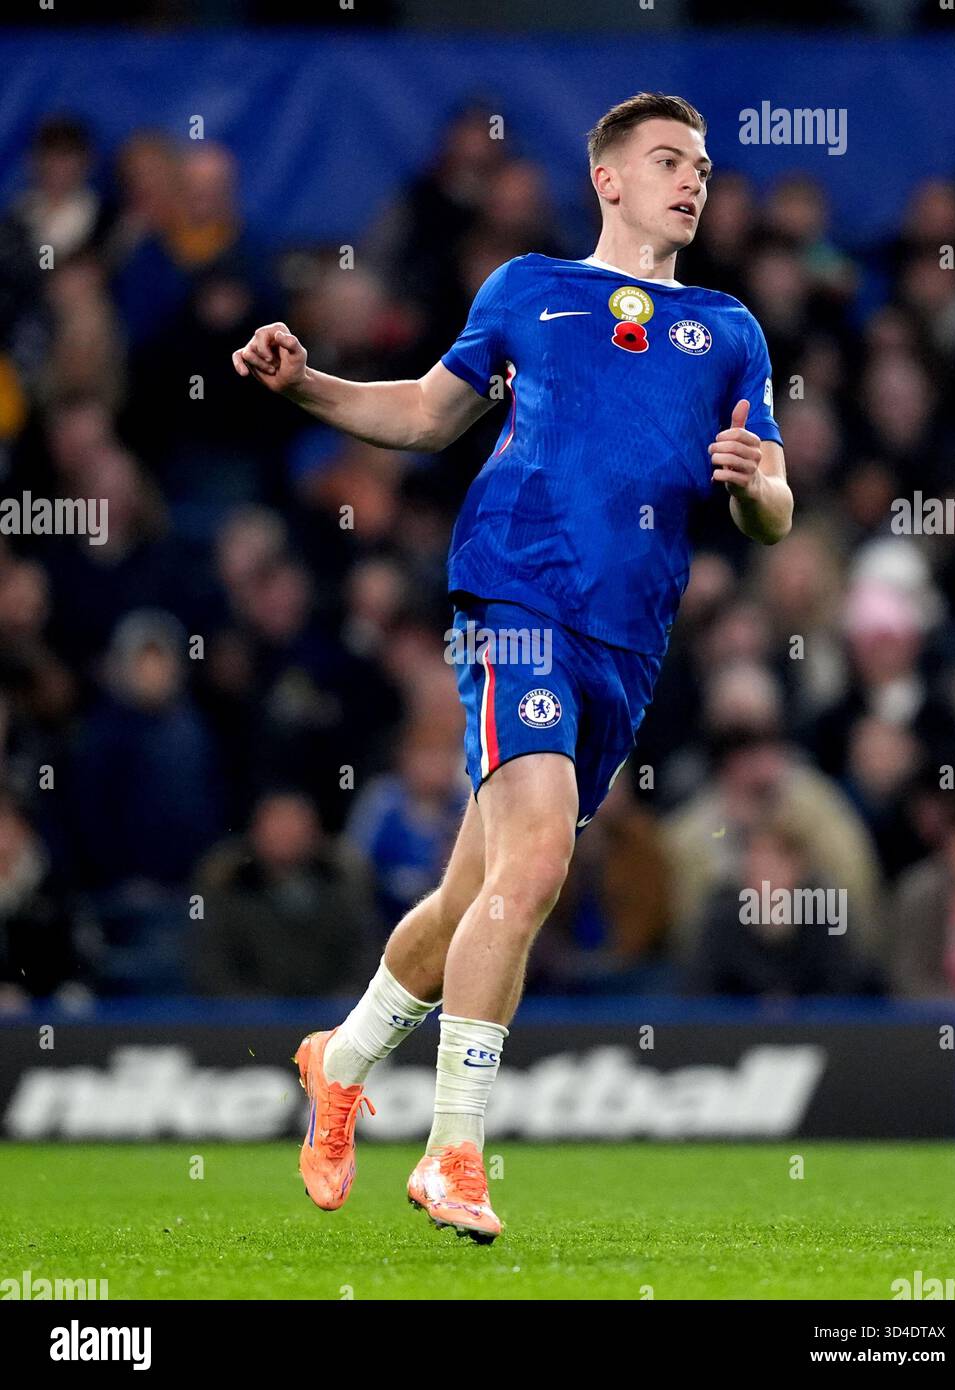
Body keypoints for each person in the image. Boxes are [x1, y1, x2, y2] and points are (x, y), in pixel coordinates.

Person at [232, 92, 793, 1243]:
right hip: (515, 602)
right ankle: (453, 1155)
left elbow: (774, 510)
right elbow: (430, 417)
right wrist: (307, 387)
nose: (692, 178)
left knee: (467, 904)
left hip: (627, 646)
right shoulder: (527, 290)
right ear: (608, 179)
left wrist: (755, 486)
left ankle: (335, 1062)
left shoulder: (729, 329)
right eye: (666, 160)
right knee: (533, 872)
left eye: (700, 163)